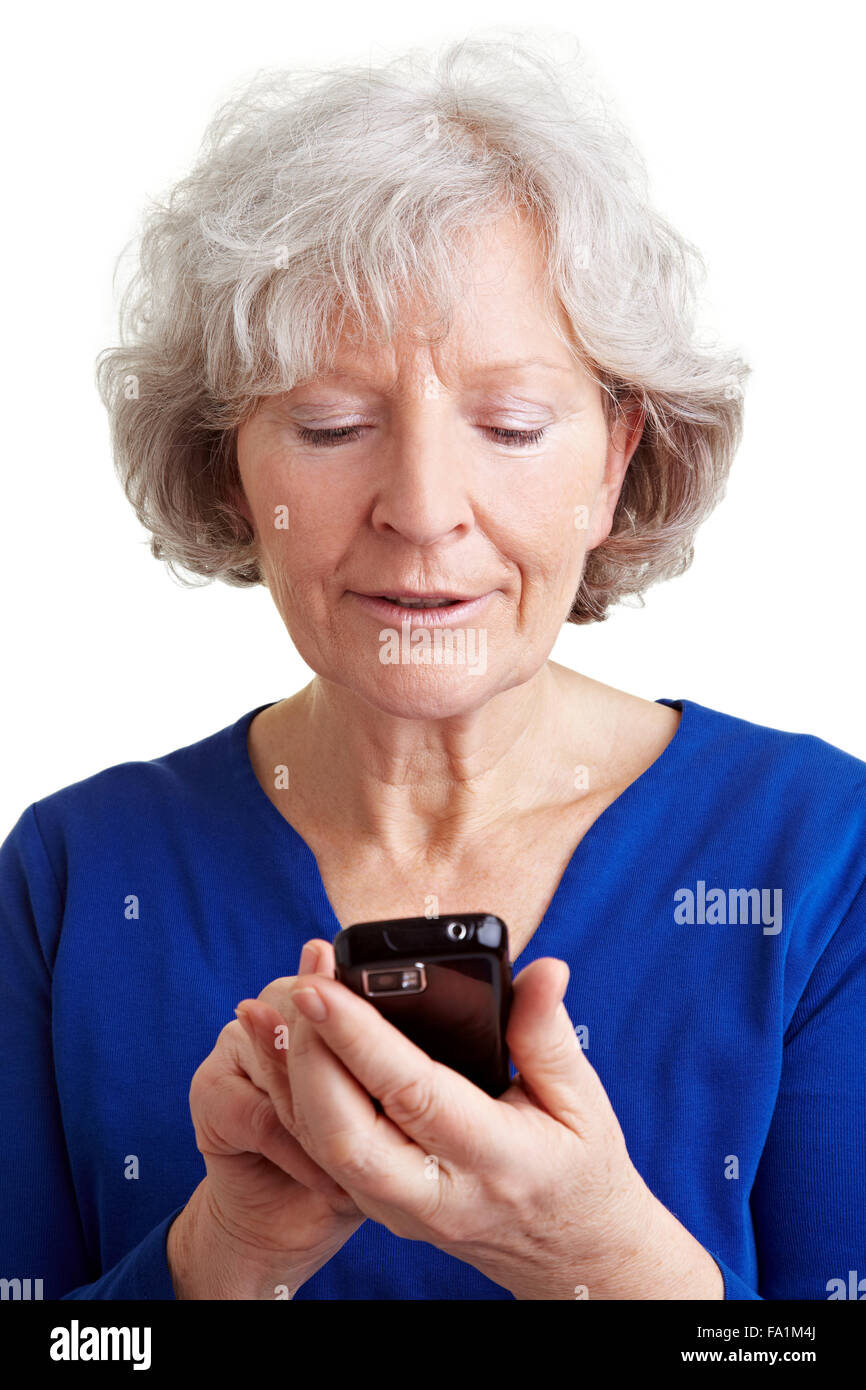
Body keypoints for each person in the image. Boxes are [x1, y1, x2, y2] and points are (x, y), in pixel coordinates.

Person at [2, 35, 864, 1301]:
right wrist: (217, 1261)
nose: (420, 508)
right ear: (227, 459)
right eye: (329, 426)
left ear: (615, 456)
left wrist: (605, 1267)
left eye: (511, 427)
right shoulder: (75, 877)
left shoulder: (820, 857)